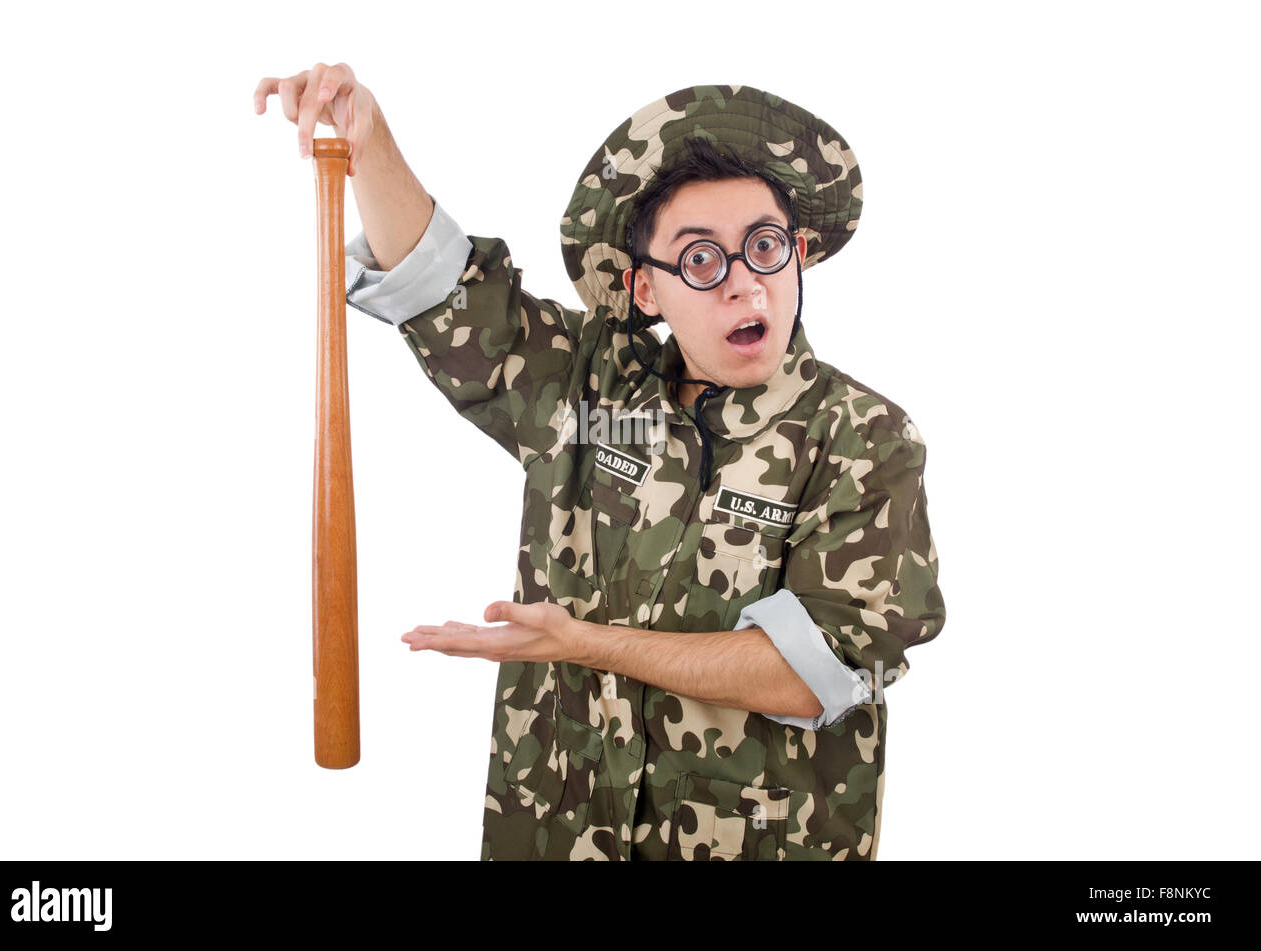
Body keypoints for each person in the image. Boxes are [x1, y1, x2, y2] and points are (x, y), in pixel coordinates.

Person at [254, 66, 947, 861]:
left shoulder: (864, 439)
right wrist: (368, 140)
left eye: (763, 246)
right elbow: (444, 292)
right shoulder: (588, 386)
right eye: (699, 259)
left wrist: (582, 641)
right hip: (555, 829)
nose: (744, 283)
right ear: (644, 288)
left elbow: (807, 673)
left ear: (798, 255)